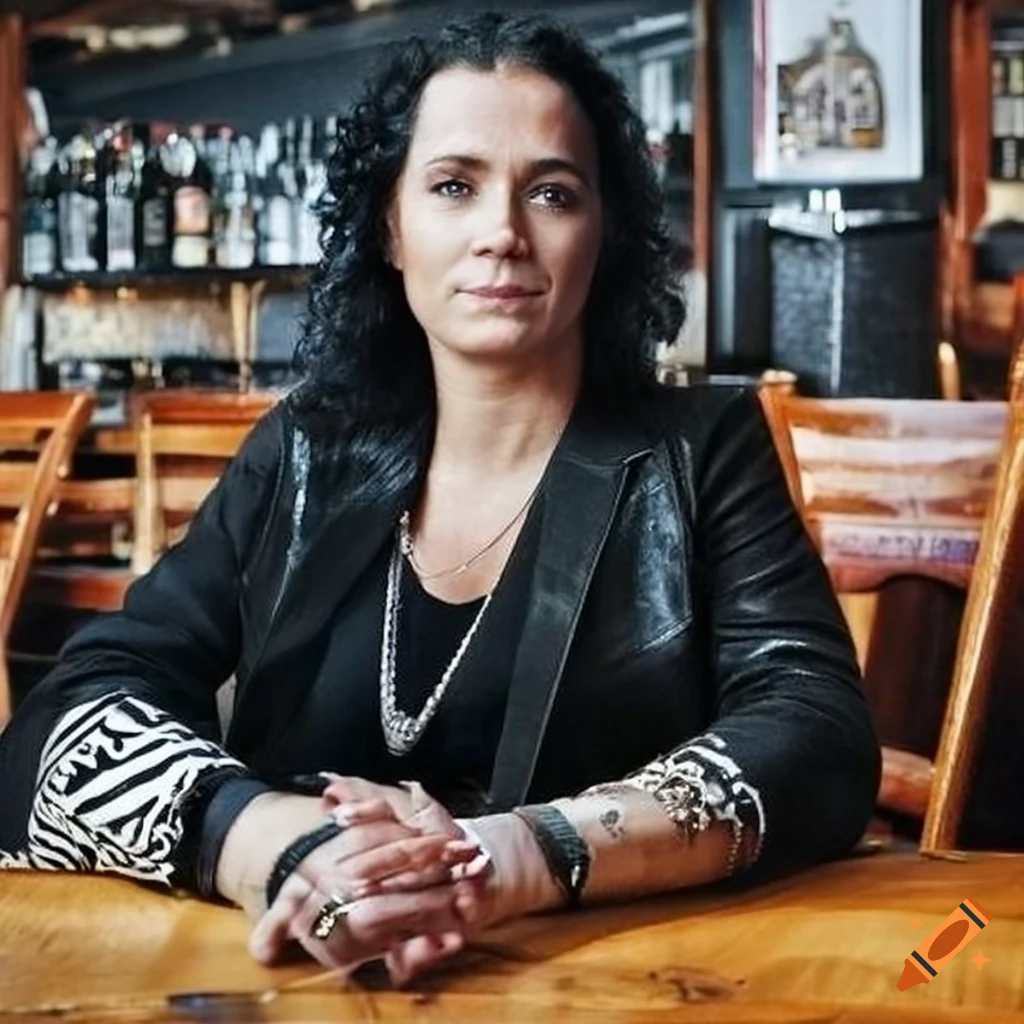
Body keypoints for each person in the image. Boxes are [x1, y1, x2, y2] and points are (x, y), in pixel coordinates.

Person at [0, 12, 880, 987]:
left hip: (606, 987)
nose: (502, 234)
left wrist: (519, 853)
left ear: (604, 232)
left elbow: (816, 734)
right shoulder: (305, 453)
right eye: (454, 186)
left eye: (551, 192)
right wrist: (271, 841)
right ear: (390, 226)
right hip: (295, 977)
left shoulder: (701, 450)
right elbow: (69, 714)